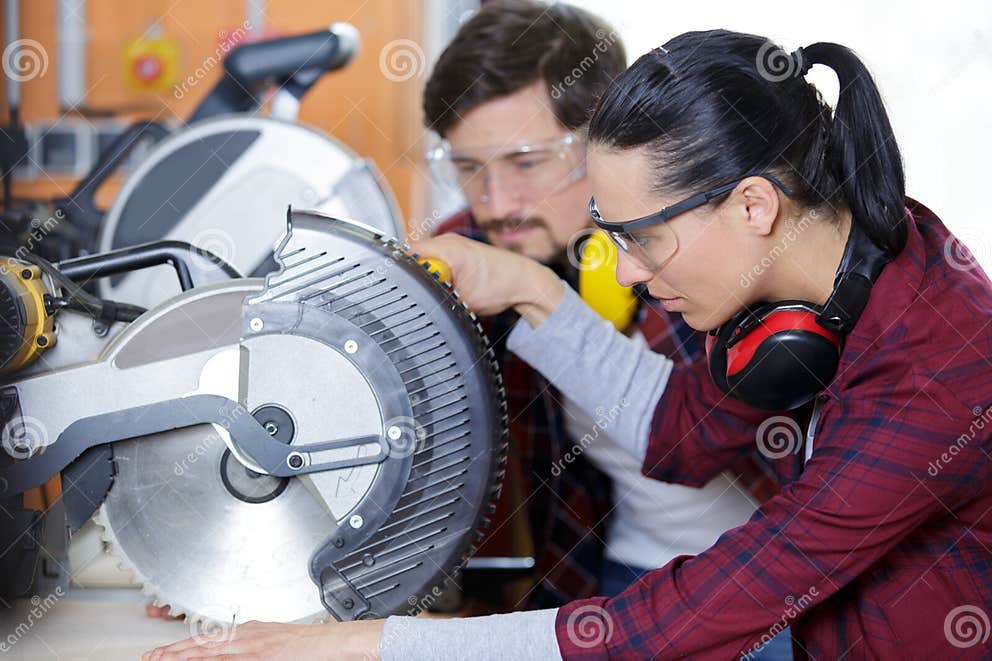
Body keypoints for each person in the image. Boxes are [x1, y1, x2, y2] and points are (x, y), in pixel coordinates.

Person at [143, 28, 992, 661]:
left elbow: (699, 611)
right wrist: (244, 552)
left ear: (753, 206)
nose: (626, 272)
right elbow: (685, 433)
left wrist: (366, 645)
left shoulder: (939, 367)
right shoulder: (833, 263)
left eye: (644, 239)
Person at [419, 0, 771, 615]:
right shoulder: (470, 250)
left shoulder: (714, 239)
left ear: (605, 140)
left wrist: (538, 295)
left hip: (767, 575)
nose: (496, 203)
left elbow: (703, 441)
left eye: (526, 163)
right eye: (470, 169)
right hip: (610, 573)